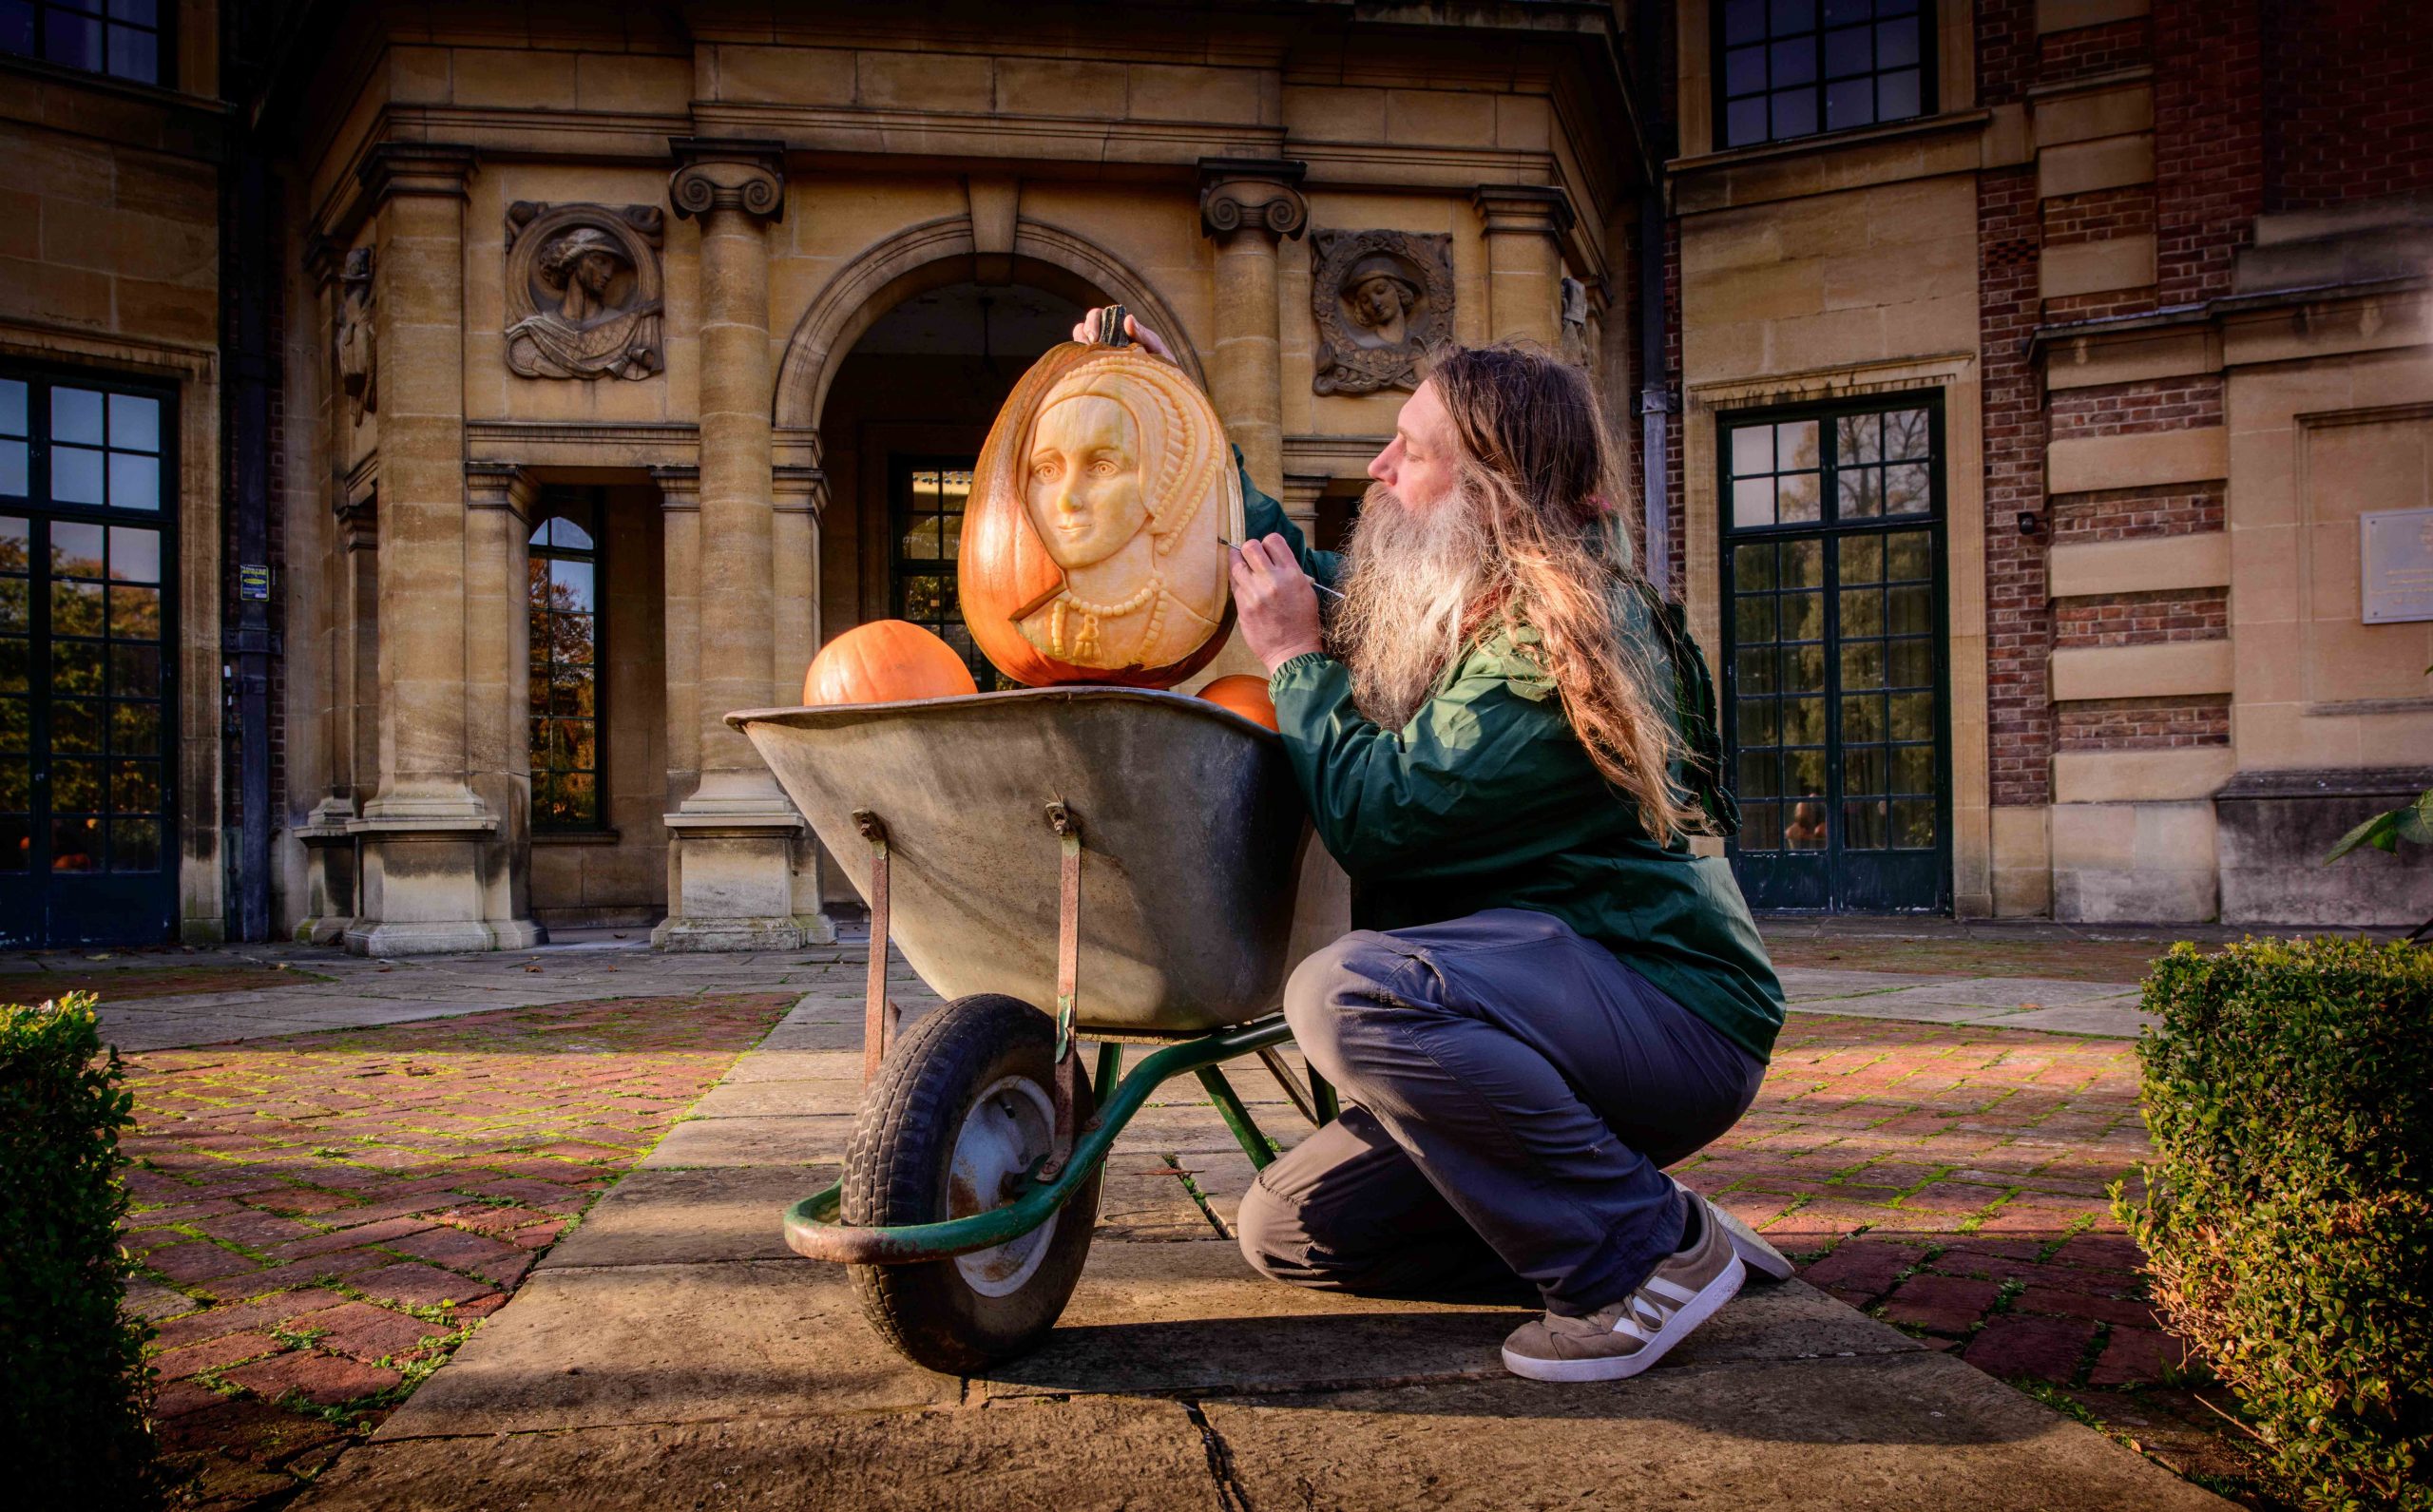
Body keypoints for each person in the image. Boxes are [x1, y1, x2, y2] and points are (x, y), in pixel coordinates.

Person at [1071, 309, 1792, 1384]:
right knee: (1292, 1228)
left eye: (1408, 450)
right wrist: (1181, 415)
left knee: (1348, 994)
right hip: (1554, 1003)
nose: (1376, 465)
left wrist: (1294, 665)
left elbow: (1382, 813)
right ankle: (1640, 1208)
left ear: (1489, 491)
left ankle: (1635, 1261)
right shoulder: (1458, 593)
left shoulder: (1558, 639)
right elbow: (1287, 567)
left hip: (1670, 1014)